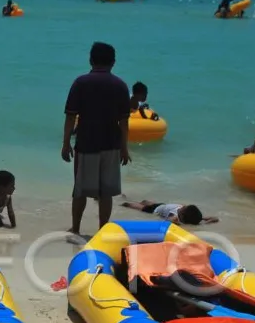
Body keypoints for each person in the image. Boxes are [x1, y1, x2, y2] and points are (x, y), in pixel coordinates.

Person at [61, 41, 130, 239]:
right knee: (106, 191)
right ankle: (102, 230)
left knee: (80, 189)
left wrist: (66, 143)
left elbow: (70, 116)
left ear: (91, 60)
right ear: (113, 62)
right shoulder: (120, 85)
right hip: (112, 144)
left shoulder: (80, 83)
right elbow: (124, 121)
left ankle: (75, 228)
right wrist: (125, 148)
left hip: (86, 143)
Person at [121, 200, 218, 225]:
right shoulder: (176, 216)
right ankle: (126, 204)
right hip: (157, 209)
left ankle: (130, 201)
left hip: (162, 206)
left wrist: (203, 220)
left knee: (145, 203)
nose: (183, 206)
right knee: (141, 206)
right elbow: (168, 222)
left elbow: (215, 219)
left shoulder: (178, 214)